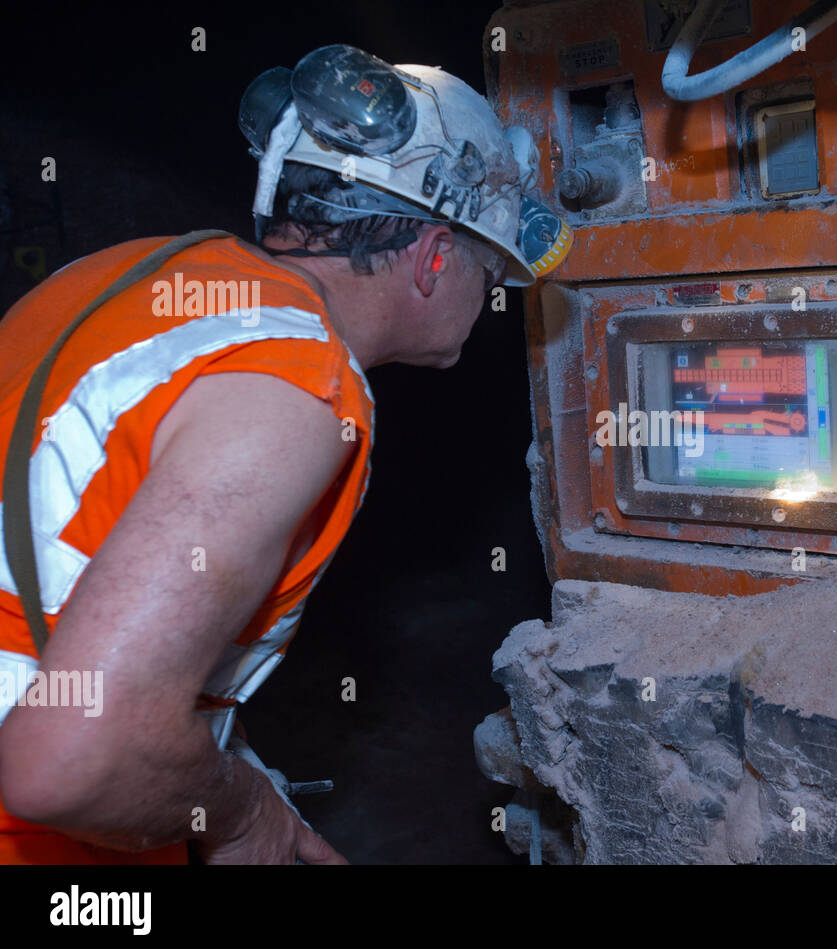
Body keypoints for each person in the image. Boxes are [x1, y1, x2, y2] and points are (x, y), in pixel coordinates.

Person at [0, 45, 568, 864]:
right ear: (436, 259)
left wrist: (226, 767)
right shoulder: (296, 391)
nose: (488, 298)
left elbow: (80, 590)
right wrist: (241, 818)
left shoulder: (133, 282)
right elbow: (69, 758)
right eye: (487, 268)